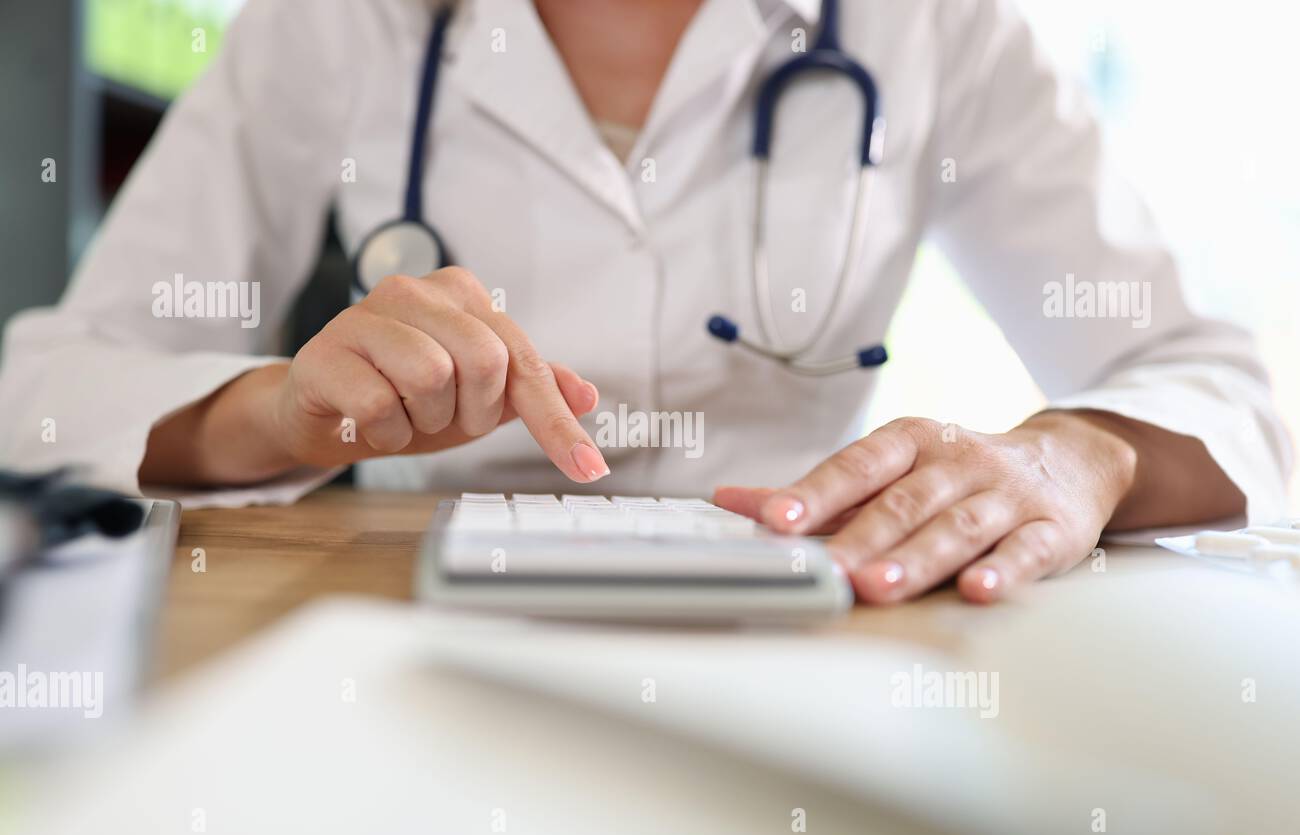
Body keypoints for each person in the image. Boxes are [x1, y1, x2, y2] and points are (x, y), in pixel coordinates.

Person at [0, 0, 1290, 605]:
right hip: (408, 616)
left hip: (820, 613)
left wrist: (1076, 456)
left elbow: (1220, 381)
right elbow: (47, 385)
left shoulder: (935, 24)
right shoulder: (341, 23)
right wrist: (278, 414)